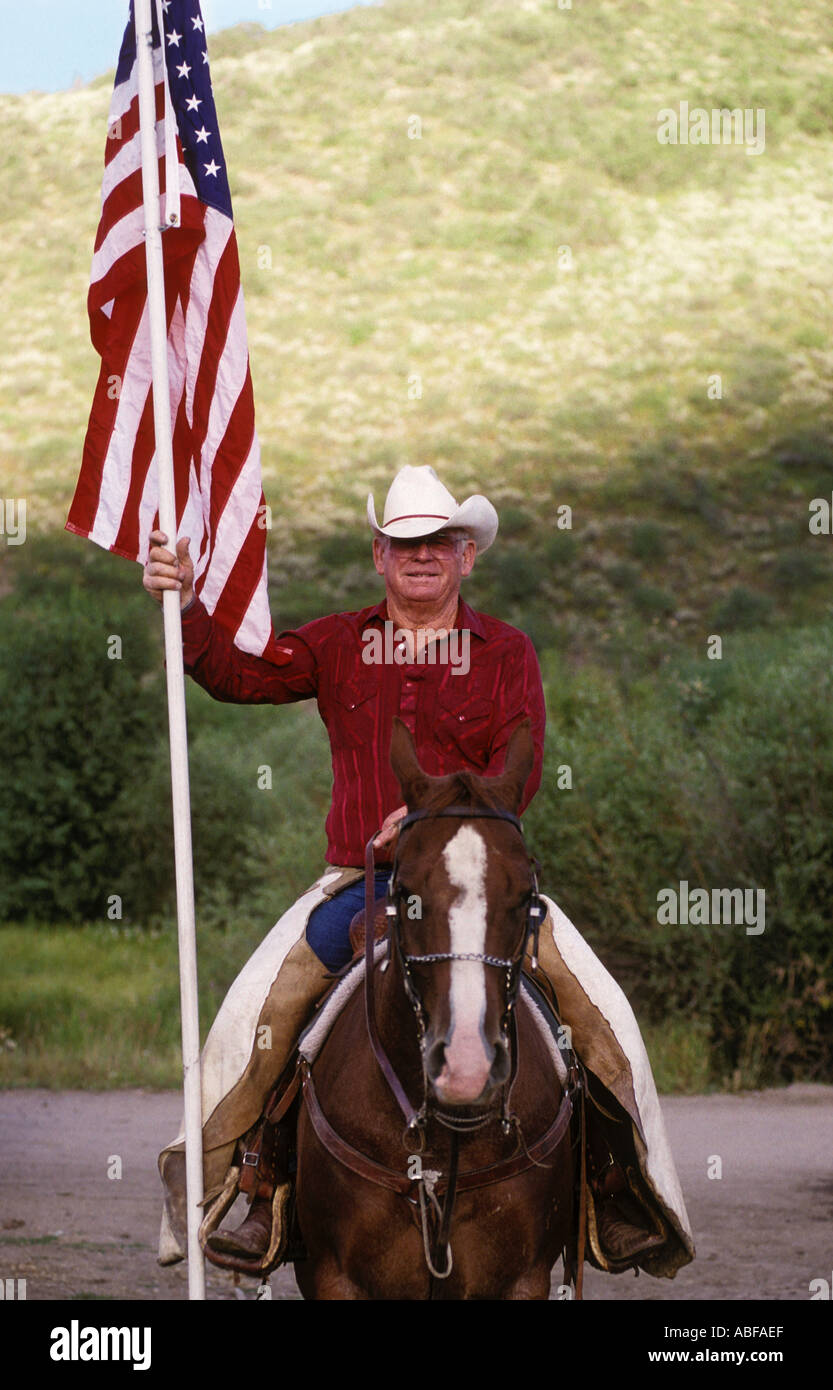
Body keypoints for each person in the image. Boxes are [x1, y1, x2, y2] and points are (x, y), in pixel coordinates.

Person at [144, 464, 694, 1280]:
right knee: (254, 1015)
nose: (422, 556)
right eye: (404, 543)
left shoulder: (505, 651)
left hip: (481, 887)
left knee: (601, 1014)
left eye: (438, 542)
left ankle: (618, 1189)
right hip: (361, 882)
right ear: (378, 555)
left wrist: (442, 825)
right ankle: (249, 1185)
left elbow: (523, 763)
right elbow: (236, 676)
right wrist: (184, 605)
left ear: (466, 554)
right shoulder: (335, 642)